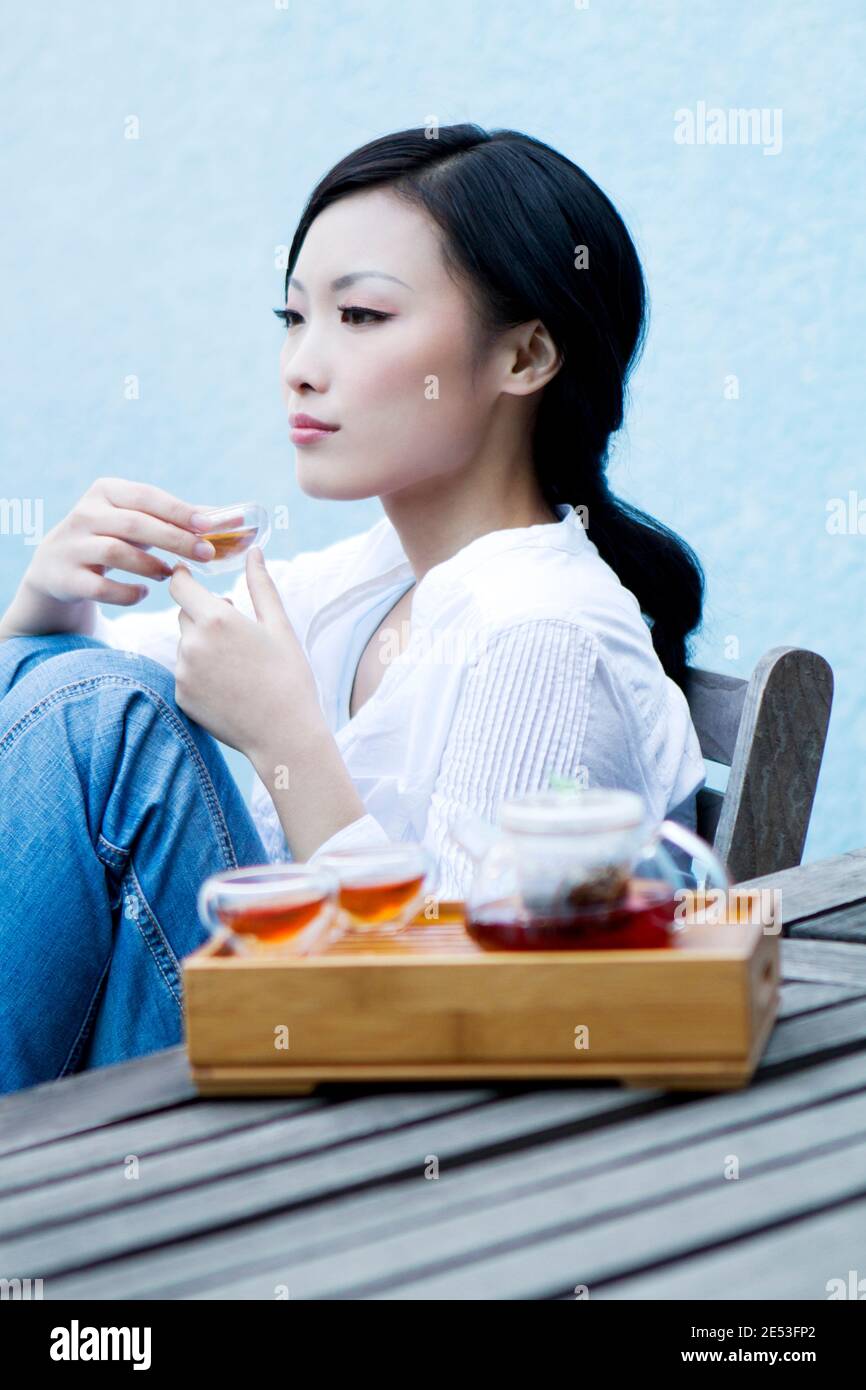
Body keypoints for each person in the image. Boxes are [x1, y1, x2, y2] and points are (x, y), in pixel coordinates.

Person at [0, 123, 707, 1094]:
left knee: (102, 714)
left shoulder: (542, 631)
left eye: (361, 316)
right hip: (261, 1061)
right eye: (291, 318)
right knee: (78, 687)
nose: (299, 363)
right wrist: (51, 594)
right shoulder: (369, 580)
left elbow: (481, 1015)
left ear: (525, 355)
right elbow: (41, 730)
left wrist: (287, 744)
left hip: (376, 1130)